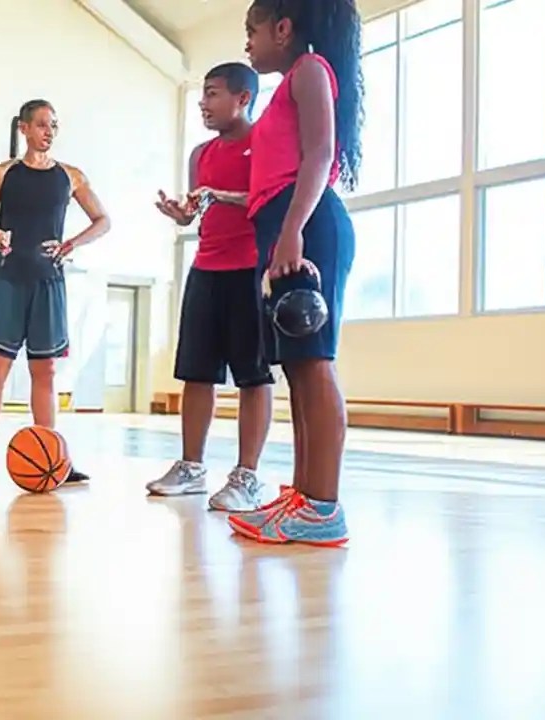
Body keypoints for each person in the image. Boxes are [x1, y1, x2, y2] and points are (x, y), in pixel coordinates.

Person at [226, 0, 364, 546]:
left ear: (283, 29)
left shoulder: (309, 70)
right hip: (284, 222)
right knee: (296, 367)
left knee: (315, 364)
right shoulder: (287, 86)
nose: (248, 44)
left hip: (307, 225)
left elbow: (319, 153)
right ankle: (306, 497)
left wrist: (291, 232)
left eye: (251, 32)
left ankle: (324, 506)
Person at [0, 99, 111, 486]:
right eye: (42, 125)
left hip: (50, 282)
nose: (49, 132)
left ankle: (52, 455)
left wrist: (71, 244)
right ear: (24, 129)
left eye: (54, 126)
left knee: (44, 371)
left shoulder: (71, 176)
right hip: (7, 280)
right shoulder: (2, 174)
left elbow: (103, 220)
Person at [146, 62, 275, 511]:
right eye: (202, 94)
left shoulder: (265, 142)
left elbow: (267, 198)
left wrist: (222, 195)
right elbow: (197, 207)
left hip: (251, 269)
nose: (203, 103)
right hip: (206, 268)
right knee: (196, 372)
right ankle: (191, 466)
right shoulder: (200, 154)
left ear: (243, 98)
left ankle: (247, 476)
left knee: (253, 376)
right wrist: (183, 215)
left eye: (214, 94)